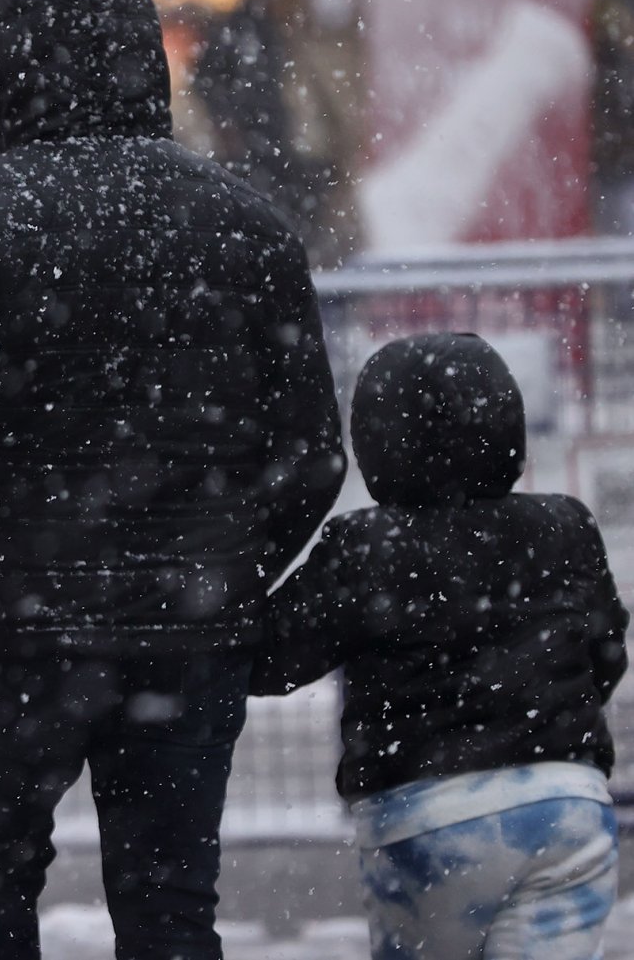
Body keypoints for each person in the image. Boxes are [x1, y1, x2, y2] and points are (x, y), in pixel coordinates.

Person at [0, 0, 347, 960]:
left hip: (15, 630)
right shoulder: (245, 226)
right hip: (187, 636)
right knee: (171, 901)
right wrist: (221, 569)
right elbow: (309, 452)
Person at [255, 333, 628, 960]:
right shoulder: (566, 525)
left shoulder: (369, 546)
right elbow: (606, 655)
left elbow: (275, 659)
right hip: (567, 803)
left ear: (377, 443)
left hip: (426, 813)